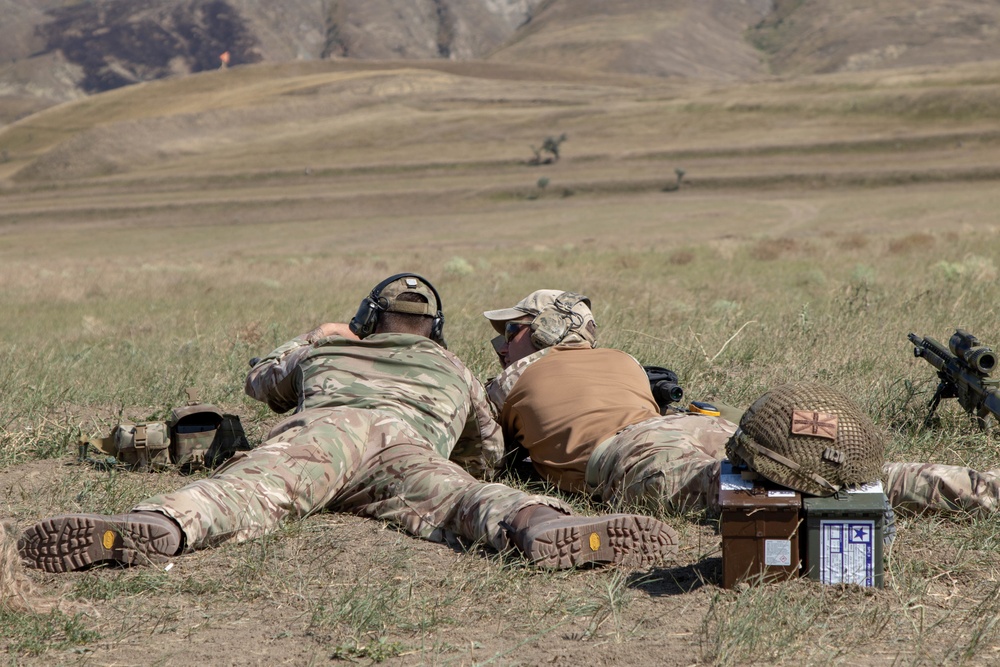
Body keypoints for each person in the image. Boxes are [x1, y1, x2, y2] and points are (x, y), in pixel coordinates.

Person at [17, 275, 679, 573]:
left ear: (368, 318)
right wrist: (463, 469)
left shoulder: (331, 349)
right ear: (435, 331)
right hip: (406, 446)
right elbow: (485, 450)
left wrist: (313, 338)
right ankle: (547, 526)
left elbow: (263, 383)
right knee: (471, 503)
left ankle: (151, 528)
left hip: (326, 433)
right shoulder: (454, 368)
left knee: (243, 491)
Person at [482, 289, 1000, 515]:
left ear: (545, 331)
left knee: (793, 498)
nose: (503, 344)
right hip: (691, 429)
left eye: (511, 331)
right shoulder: (623, 360)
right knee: (831, 471)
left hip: (637, 459)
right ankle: (980, 488)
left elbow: (484, 457)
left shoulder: (510, 380)